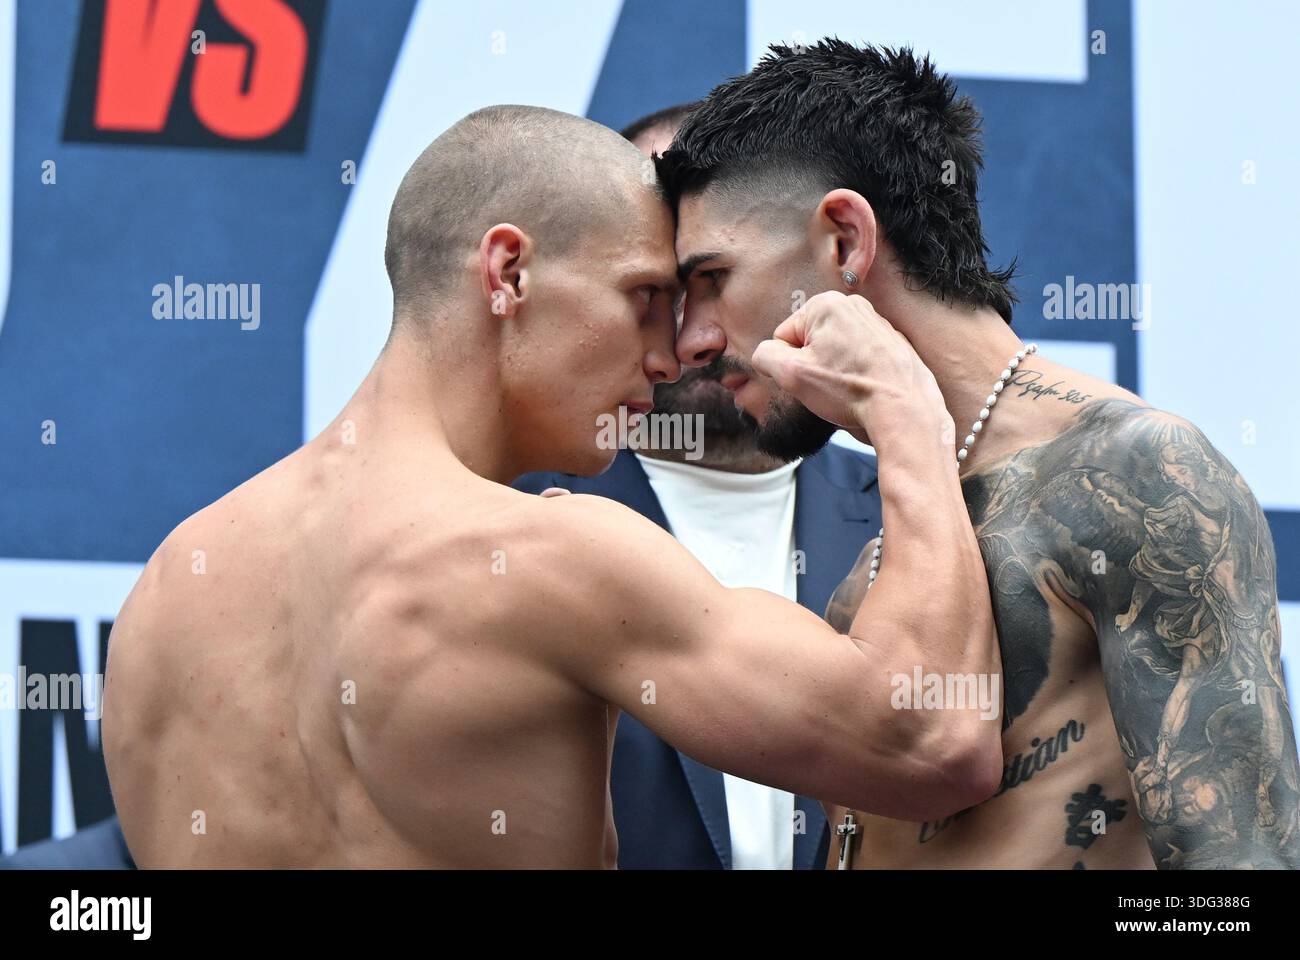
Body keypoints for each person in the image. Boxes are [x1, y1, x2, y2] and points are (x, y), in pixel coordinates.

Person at [102, 104, 1001, 868]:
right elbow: (932, 742)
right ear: (509, 273)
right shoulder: (553, 557)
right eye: (644, 297)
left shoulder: (171, 591)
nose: (668, 355)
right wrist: (907, 414)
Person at [656, 39, 1300, 869]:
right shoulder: (896, 531)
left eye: (710, 280)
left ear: (846, 240)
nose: (693, 343)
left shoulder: (1140, 474)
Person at [516, 103, 882, 869]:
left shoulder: (918, 521)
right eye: (664, 286)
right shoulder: (509, 525)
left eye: (716, 275)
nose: (694, 332)